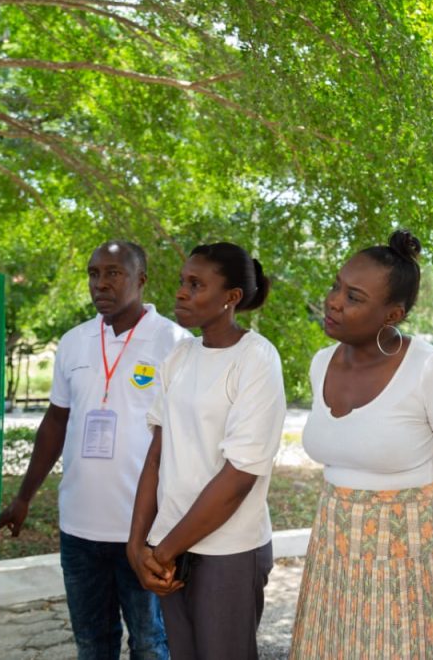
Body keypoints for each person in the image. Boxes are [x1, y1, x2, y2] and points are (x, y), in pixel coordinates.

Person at [289, 230, 433, 658]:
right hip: (333, 558)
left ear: (392, 314)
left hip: (414, 563)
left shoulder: (429, 371)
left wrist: (424, 521)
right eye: (336, 286)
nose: (333, 301)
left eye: (354, 297)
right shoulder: (320, 364)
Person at [0, 241, 186, 660]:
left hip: (145, 532)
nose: (100, 283)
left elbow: (187, 439)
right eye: (93, 273)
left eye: (113, 273)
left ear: (141, 279)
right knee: (92, 644)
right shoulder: (74, 342)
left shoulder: (175, 343)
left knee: (151, 644)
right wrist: (24, 497)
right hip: (79, 530)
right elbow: (55, 422)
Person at [127, 242, 285, 660]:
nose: (181, 292)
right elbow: (156, 457)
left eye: (196, 285)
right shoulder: (179, 357)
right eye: (182, 282)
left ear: (231, 298)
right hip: (169, 545)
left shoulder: (256, 359)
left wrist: (162, 552)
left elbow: (238, 477)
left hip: (228, 550)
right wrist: (137, 543)